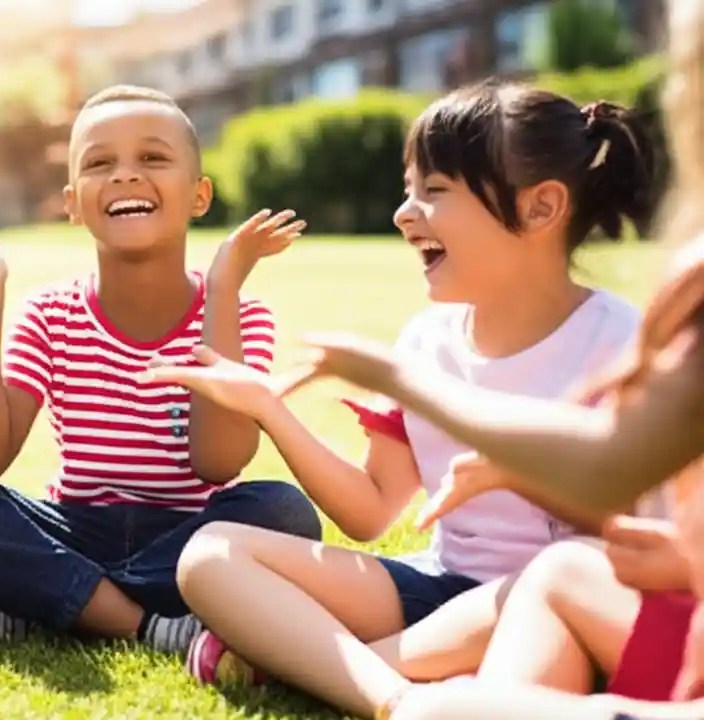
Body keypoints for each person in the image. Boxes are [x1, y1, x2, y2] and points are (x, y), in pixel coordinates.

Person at [148, 80, 652, 718]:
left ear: (541, 208)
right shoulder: (425, 341)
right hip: (444, 592)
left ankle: (342, 662)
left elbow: (640, 534)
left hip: (559, 599)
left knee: (566, 567)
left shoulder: (622, 343)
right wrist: (268, 409)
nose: (404, 213)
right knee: (212, 553)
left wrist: (525, 472)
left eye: (435, 192)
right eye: (408, 190)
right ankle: (393, 696)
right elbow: (371, 511)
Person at [0, 85, 321, 654]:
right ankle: (147, 623)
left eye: (152, 158)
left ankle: (54, 607)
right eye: (100, 163)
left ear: (199, 196)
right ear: (73, 203)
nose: (124, 175)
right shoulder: (50, 313)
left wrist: (222, 287)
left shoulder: (241, 315)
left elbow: (218, 463)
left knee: (283, 511)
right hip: (73, 532)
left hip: (188, 540)